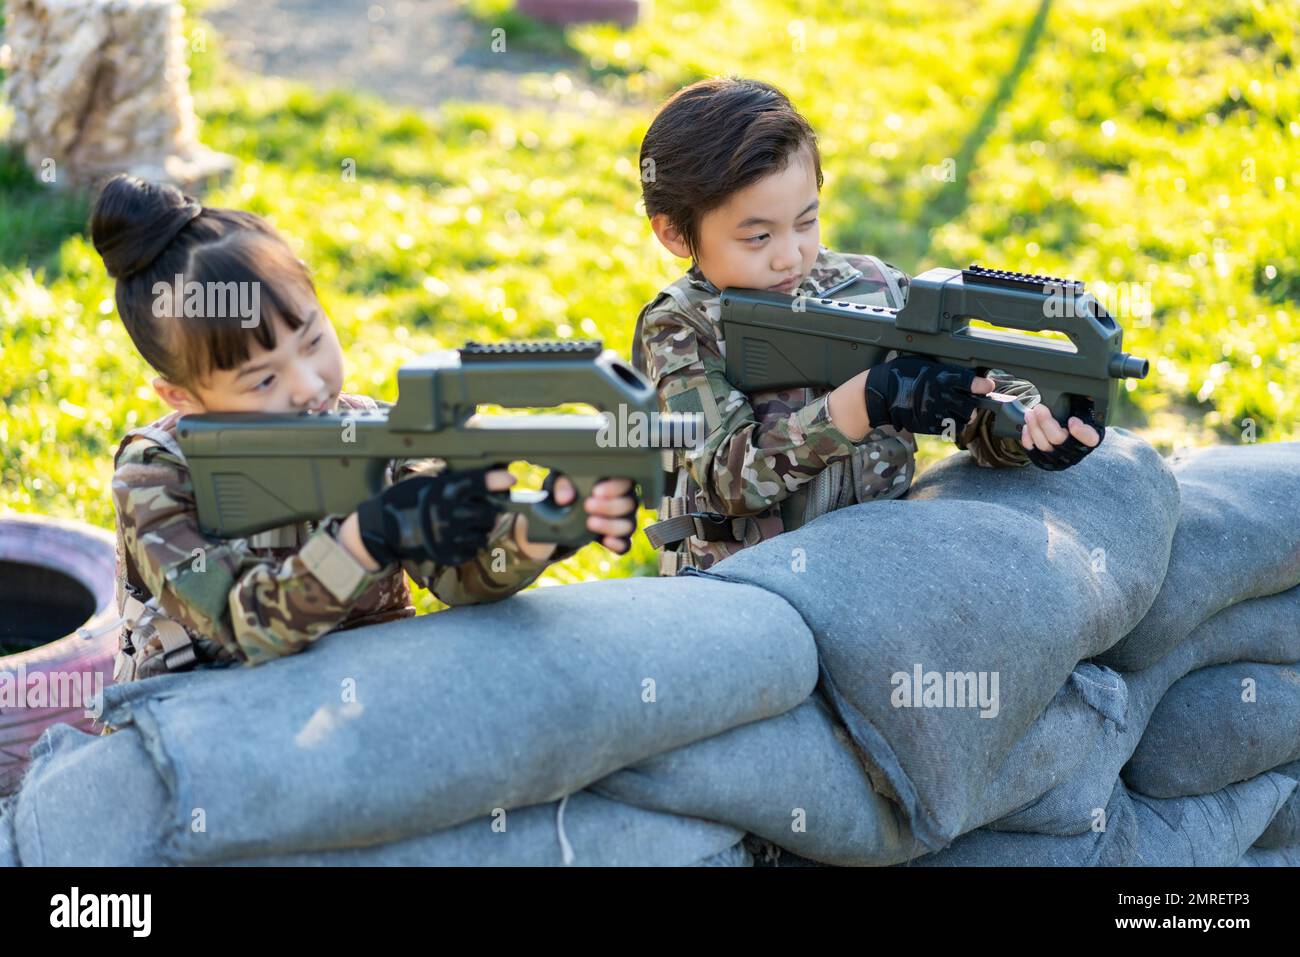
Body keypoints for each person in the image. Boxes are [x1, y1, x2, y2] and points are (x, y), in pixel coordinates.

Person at [92, 174, 639, 684]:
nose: (308, 385)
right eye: (262, 380)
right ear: (181, 397)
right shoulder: (157, 475)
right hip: (203, 720)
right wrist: (366, 537)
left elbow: (461, 578)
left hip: (366, 705)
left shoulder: (372, 432)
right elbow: (246, 625)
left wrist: (539, 528)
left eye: (311, 341)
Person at [632, 77, 1104, 575]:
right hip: (742, 588)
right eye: (757, 237)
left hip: (876, 574)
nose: (789, 255)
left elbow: (970, 415)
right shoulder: (680, 325)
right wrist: (866, 401)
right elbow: (733, 481)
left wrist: (1028, 432)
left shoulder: (873, 285)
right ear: (673, 233)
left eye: (806, 222)